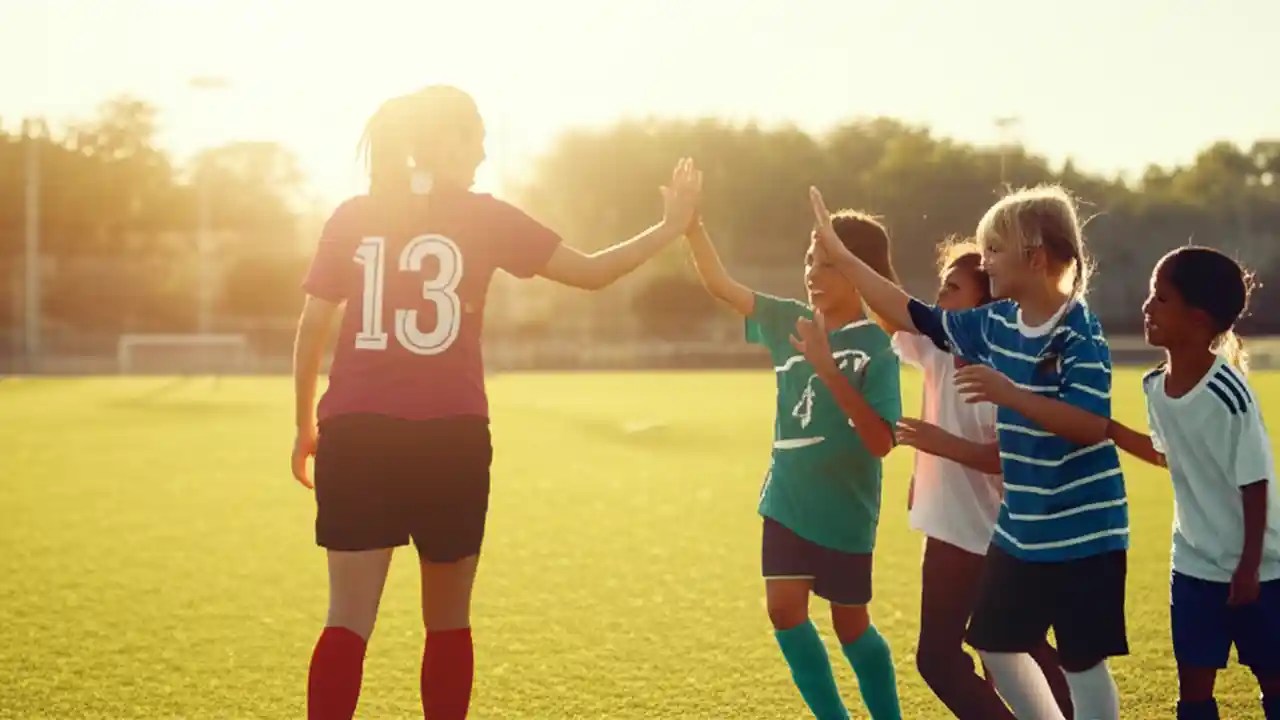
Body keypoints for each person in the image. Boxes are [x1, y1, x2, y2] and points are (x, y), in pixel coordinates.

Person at [291, 85, 702, 720]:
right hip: (449, 438)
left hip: (356, 434)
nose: (483, 154)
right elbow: (593, 271)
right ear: (442, 141)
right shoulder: (486, 217)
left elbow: (312, 324)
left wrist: (303, 426)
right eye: (475, 139)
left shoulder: (352, 215)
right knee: (448, 623)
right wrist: (671, 227)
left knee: (347, 619)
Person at [808, 184, 1127, 720]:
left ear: (1036, 257)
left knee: (1079, 662)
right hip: (1019, 530)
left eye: (995, 249)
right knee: (999, 643)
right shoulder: (994, 326)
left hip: (1083, 530)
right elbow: (909, 314)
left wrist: (1008, 396)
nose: (987, 259)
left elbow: (1092, 425)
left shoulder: (1079, 330)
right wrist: (843, 257)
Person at [685, 207, 903, 719]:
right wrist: (691, 225)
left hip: (846, 512)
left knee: (852, 628)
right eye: (809, 260)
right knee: (784, 611)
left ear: (858, 271)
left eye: (827, 263)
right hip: (785, 499)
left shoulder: (876, 347)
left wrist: (828, 369)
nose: (812, 273)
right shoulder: (787, 321)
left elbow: (880, 442)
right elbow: (722, 285)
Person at [893, 236, 1073, 719]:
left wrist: (938, 444)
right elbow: (890, 306)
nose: (940, 301)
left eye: (952, 290)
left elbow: (1006, 457)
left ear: (983, 303)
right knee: (1006, 649)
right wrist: (849, 253)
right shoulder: (934, 352)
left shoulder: (1007, 373)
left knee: (959, 656)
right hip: (950, 531)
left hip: (996, 535)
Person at [1107, 246, 1280, 720]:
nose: (1147, 307)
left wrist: (1247, 567)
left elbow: (1255, 481)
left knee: (1273, 679)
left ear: (1199, 319)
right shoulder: (1152, 387)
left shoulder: (1230, 393)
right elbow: (1168, 455)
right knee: (1195, 690)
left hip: (1260, 568)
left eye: (1160, 298)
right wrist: (1108, 429)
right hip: (1194, 564)